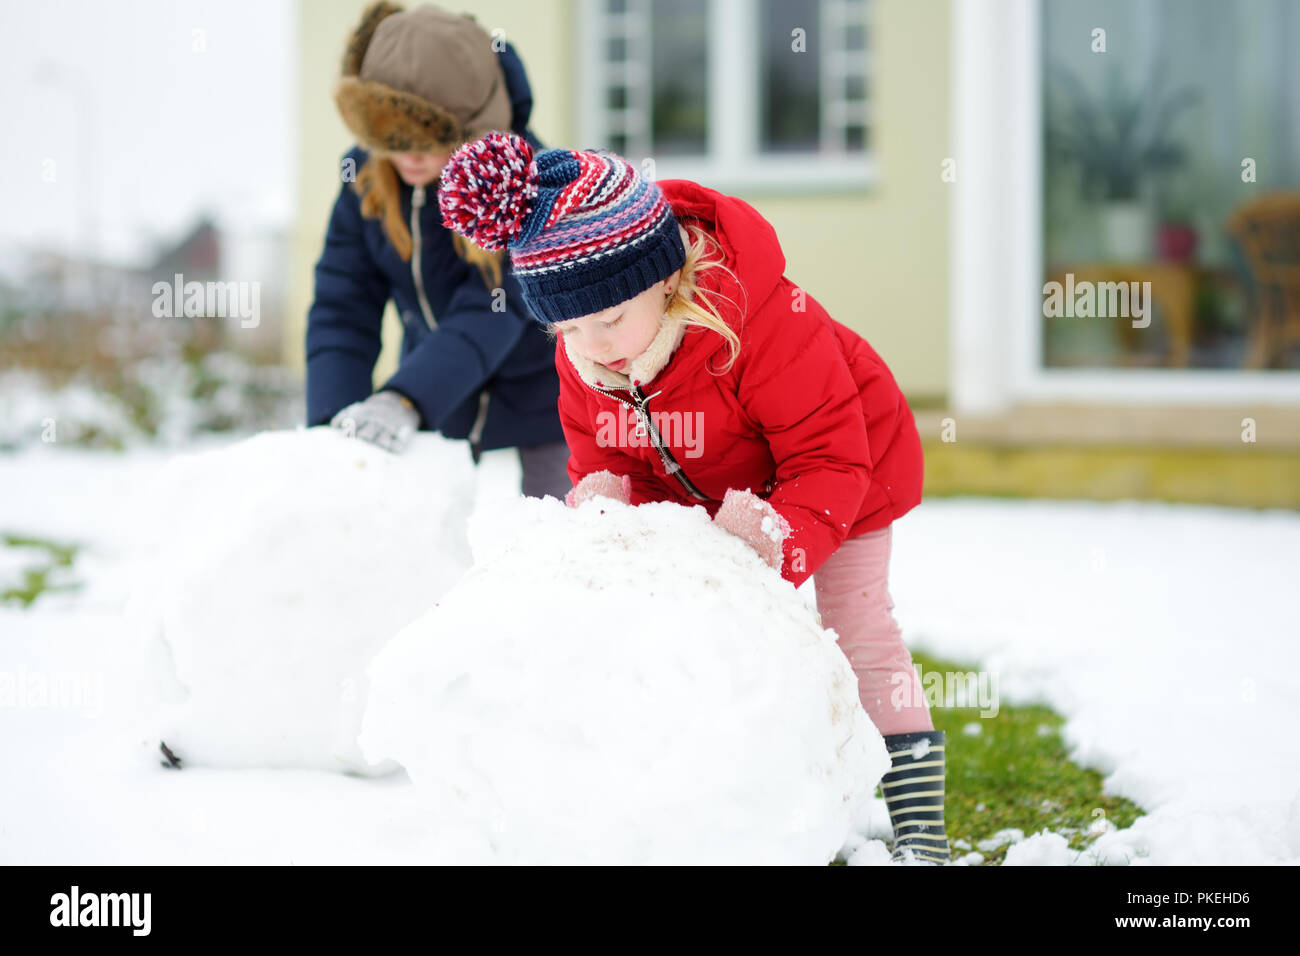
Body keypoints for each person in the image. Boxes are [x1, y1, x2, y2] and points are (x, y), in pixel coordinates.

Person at [437, 132, 950, 864]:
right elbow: (607, 458)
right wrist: (615, 518)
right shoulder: (585, 357)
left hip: (849, 467)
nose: (592, 343)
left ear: (665, 278)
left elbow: (829, 458)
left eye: (610, 318)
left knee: (857, 624)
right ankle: (727, 790)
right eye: (568, 326)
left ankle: (921, 828)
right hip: (713, 484)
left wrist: (764, 542)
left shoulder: (762, 325)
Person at [304, 2, 570, 500]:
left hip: (543, 391)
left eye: (429, 138)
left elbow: (494, 306)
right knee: (427, 535)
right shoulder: (364, 180)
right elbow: (344, 304)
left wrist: (407, 399)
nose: (411, 155)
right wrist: (332, 417)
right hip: (440, 384)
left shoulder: (525, 181)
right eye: (393, 138)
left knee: (555, 529)